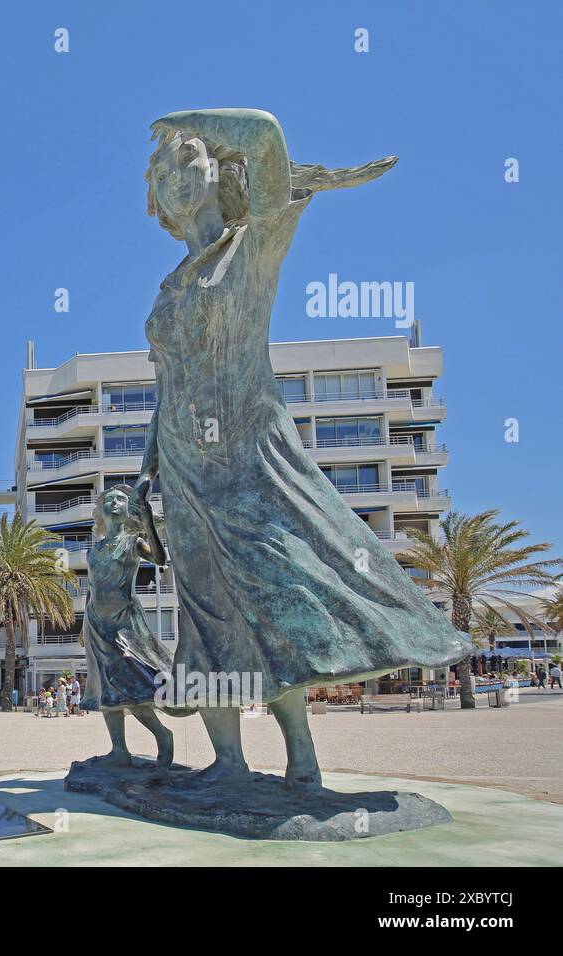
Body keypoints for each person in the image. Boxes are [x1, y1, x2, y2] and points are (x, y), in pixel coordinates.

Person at [137, 110, 470, 788]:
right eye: (159, 175)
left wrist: (192, 122)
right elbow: (167, 388)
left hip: (249, 458)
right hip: (182, 468)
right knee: (205, 615)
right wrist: (147, 475)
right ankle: (227, 762)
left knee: (272, 600)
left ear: (217, 169)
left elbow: (264, 139)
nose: (172, 180)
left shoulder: (252, 244)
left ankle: (303, 763)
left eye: (185, 163)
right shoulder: (171, 287)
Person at [82, 484, 177, 765]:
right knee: (107, 692)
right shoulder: (94, 551)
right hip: (96, 624)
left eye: (120, 500)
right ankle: (119, 751)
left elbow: (160, 559)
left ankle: (162, 735)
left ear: (127, 510)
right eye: (107, 500)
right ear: (100, 511)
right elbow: (91, 588)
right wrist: (81, 629)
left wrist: (148, 524)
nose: (113, 503)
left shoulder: (132, 541)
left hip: (124, 625)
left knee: (133, 690)